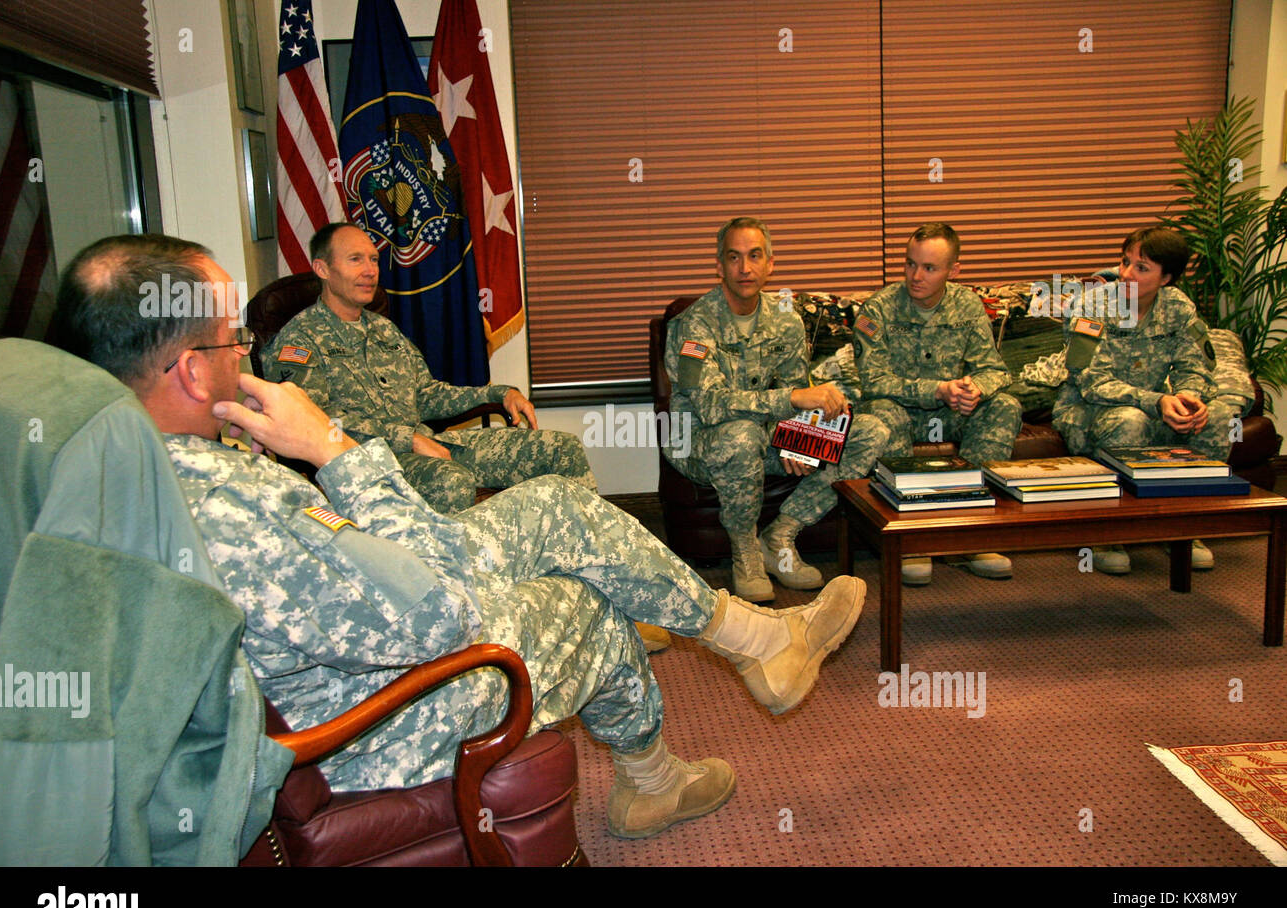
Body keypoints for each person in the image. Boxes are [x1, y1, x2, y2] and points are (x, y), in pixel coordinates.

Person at [49, 233, 867, 840]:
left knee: (553, 499)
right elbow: (439, 613)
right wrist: (335, 451)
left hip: (375, 627)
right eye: (231, 342)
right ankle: (686, 733)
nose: (245, 356)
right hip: (380, 717)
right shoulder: (219, 511)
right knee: (584, 592)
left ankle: (749, 642)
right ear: (191, 372)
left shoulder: (151, 464)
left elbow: (379, 530)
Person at [260, 222, 596, 516]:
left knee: (559, 448)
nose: (370, 270)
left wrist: (500, 392)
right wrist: (409, 440)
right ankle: (465, 582)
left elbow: (427, 394)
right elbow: (316, 420)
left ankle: (587, 556)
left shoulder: (384, 330)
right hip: (367, 464)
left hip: (428, 445)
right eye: (355, 259)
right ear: (322, 269)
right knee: (452, 481)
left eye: (374, 259)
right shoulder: (300, 341)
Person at [663, 216, 891, 602]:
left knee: (871, 432)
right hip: (698, 443)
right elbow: (710, 406)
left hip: (763, 435)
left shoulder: (785, 321)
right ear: (719, 266)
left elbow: (794, 392)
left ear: (771, 264)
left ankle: (781, 533)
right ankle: (746, 551)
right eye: (733, 258)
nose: (744, 268)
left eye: (755, 256)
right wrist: (793, 401)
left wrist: (799, 437)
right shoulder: (694, 325)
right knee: (741, 433)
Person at [1052, 226, 1228, 573]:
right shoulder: (1092, 303)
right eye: (1125, 262)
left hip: (1152, 410)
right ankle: (1106, 534)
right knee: (1128, 419)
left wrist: (1189, 397)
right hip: (1087, 411)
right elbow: (1089, 379)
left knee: (1218, 416)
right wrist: (1157, 401)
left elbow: (1198, 366)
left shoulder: (1178, 308)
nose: (1127, 273)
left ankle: (1183, 529)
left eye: (1142, 267)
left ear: (1167, 278)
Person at [855, 223, 1022, 586]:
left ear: (953, 270)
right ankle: (912, 540)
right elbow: (873, 382)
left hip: (951, 413)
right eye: (910, 264)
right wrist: (936, 389)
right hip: (901, 410)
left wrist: (974, 388)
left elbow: (994, 369)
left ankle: (971, 535)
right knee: (882, 413)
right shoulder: (878, 309)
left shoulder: (967, 304)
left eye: (929, 268)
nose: (916, 276)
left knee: (1004, 406)